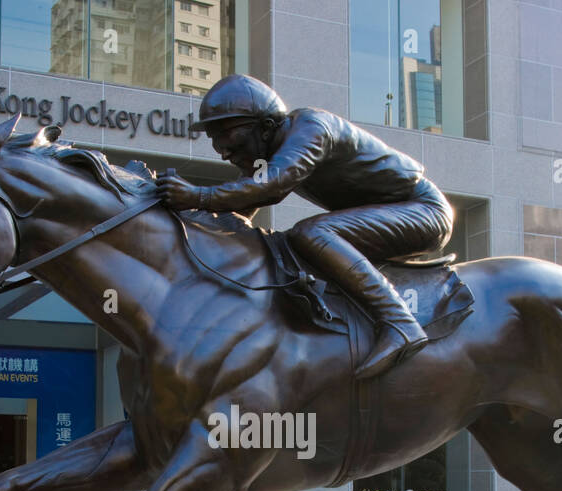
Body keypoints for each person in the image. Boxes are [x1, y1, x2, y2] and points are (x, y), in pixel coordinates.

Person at [156, 74, 454, 380]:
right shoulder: (273, 152)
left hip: (423, 211)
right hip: (397, 210)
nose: (222, 150)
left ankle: (399, 322)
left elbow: (270, 186)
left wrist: (198, 196)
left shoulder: (311, 128)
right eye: (215, 138)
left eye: (230, 137)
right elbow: (247, 203)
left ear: (267, 127)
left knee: (310, 233)